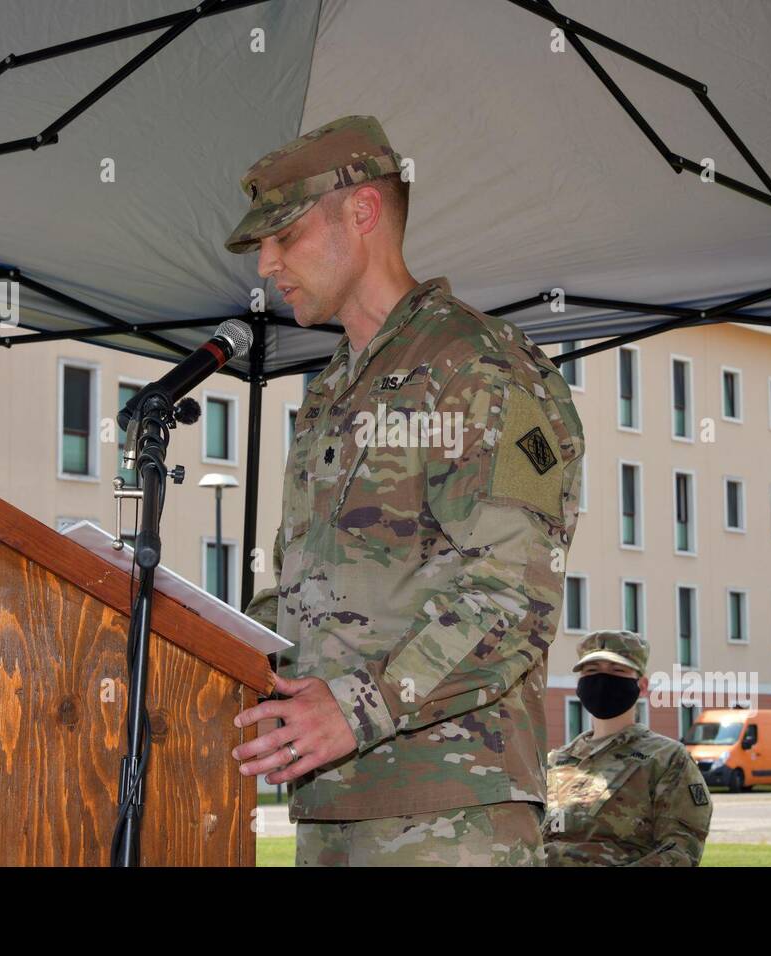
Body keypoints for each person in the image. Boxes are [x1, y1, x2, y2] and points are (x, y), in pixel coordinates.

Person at [223, 115, 585, 866]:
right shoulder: (330, 391)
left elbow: (515, 598)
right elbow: (299, 591)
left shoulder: (477, 367)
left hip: (450, 816)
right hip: (331, 804)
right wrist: (224, 653)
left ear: (361, 212)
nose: (266, 264)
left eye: (282, 235)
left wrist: (360, 707)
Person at [544, 630, 711, 866]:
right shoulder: (556, 761)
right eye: (592, 671)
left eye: (617, 671)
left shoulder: (667, 759)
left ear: (642, 686)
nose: (603, 680)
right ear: (579, 684)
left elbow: (680, 851)